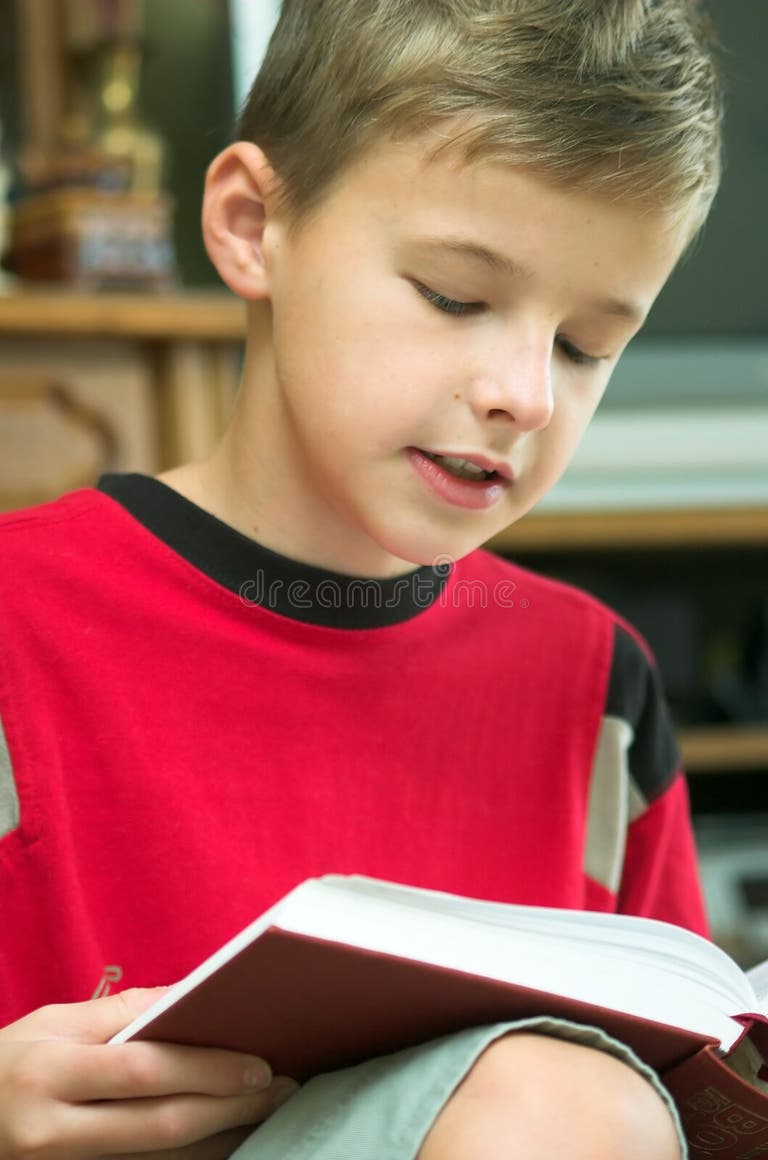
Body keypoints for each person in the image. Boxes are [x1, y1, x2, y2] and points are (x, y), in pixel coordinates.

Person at [0, 0, 723, 1156]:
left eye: (587, 345)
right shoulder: (17, 622)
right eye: (454, 294)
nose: (527, 396)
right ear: (252, 226)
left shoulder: (599, 691)